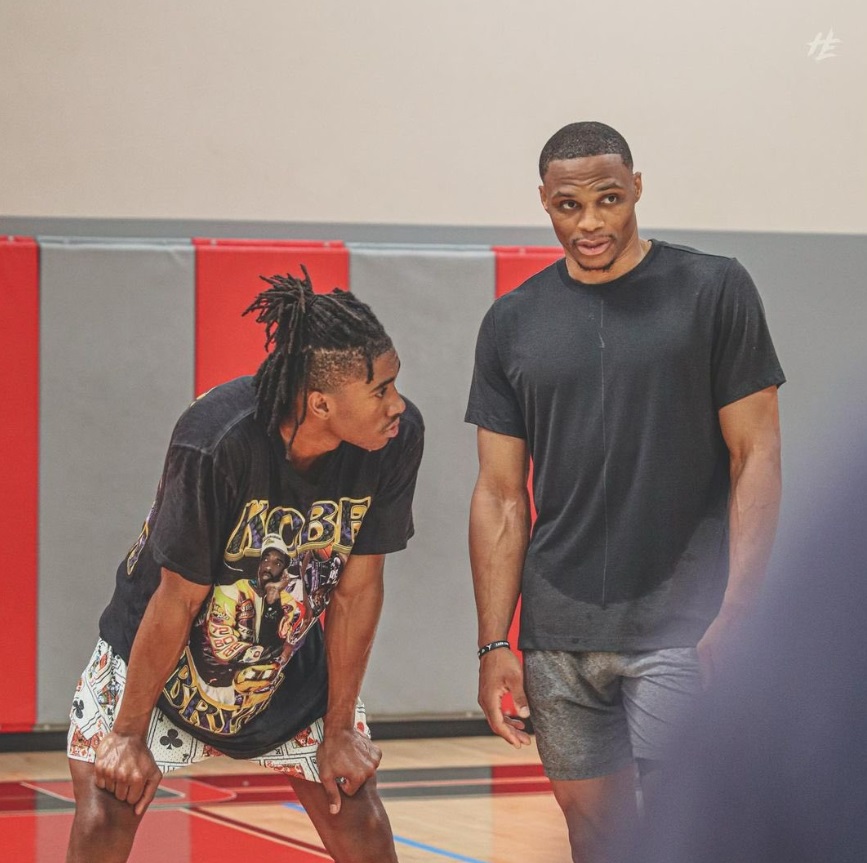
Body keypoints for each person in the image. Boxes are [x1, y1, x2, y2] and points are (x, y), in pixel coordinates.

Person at [465, 121, 784, 862]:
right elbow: (500, 496)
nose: (591, 223)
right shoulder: (510, 322)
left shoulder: (714, 288)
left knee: (696, 831)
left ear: (635, 187)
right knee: (595, 834)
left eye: (608, 199)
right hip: (557, 635)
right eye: (568, 206)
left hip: (683, 622)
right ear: (543, 202)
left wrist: (740, 608)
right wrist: (492, 641)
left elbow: (756, 454)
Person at [66, 267, 424, 863]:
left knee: (361, 822)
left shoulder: (394, 442)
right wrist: (127, 734)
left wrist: (338, 732)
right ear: (320, 403)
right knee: (105, 813)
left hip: (280, 662)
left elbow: (357, 593)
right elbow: (175, 598)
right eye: (381, 389)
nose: (397, 404)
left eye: (394, 384)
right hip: (158, 657)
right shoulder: (216, 441)